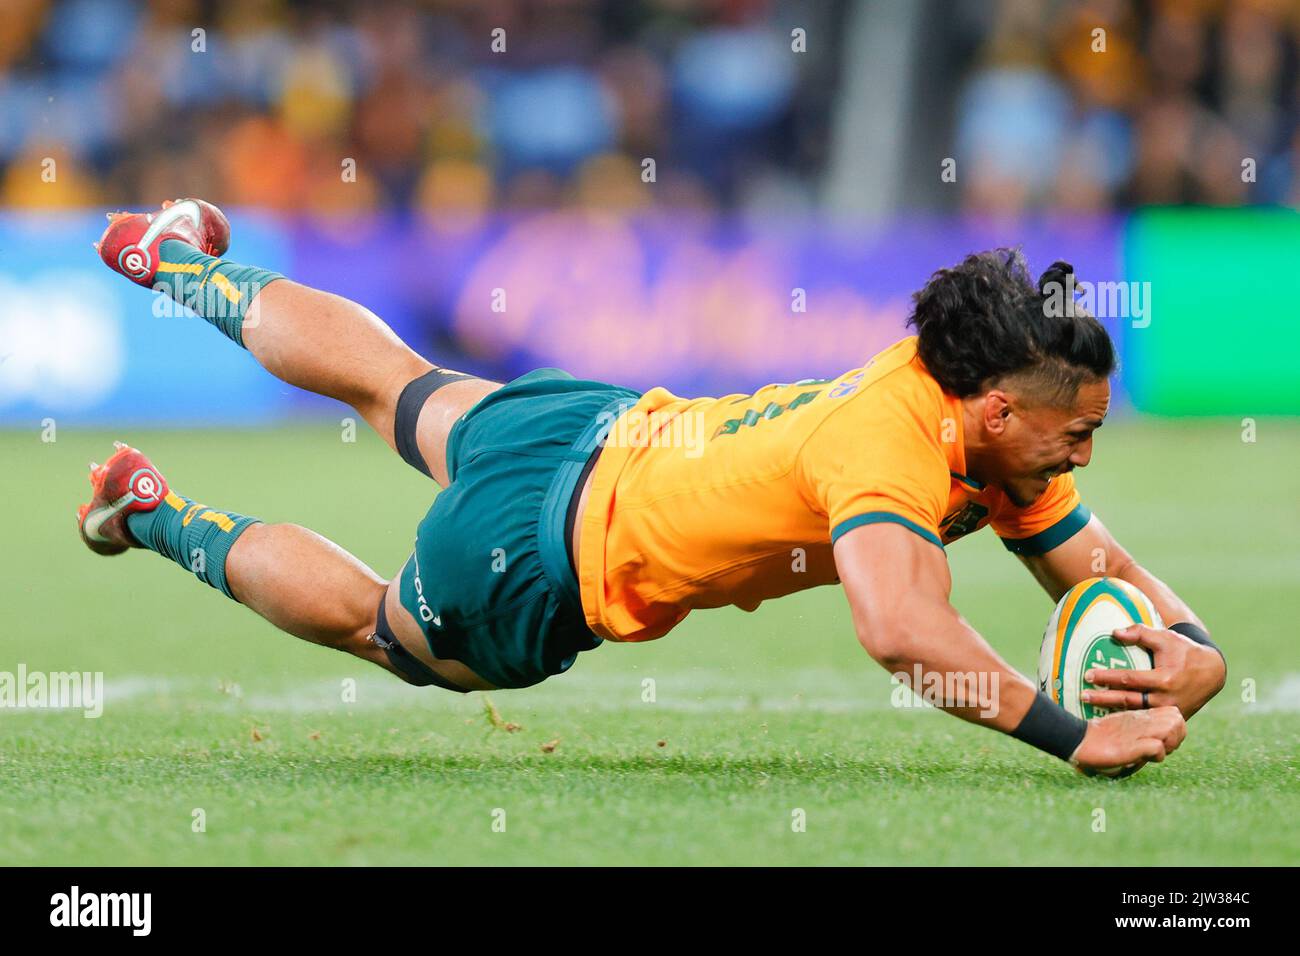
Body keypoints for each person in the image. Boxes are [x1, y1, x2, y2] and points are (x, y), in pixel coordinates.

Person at [81, 199, 1225, 773]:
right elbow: (899, 628)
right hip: (538, 556)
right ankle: (155, 511)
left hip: (593, 422)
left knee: (396, 382)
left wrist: (1197, 652)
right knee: (382, 631)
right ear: (996, 407)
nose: (1081, 458)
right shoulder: (890, 448)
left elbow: (1104, 569)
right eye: (1072, 436)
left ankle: (177, 261)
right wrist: (1068, 734)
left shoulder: (983, 410)